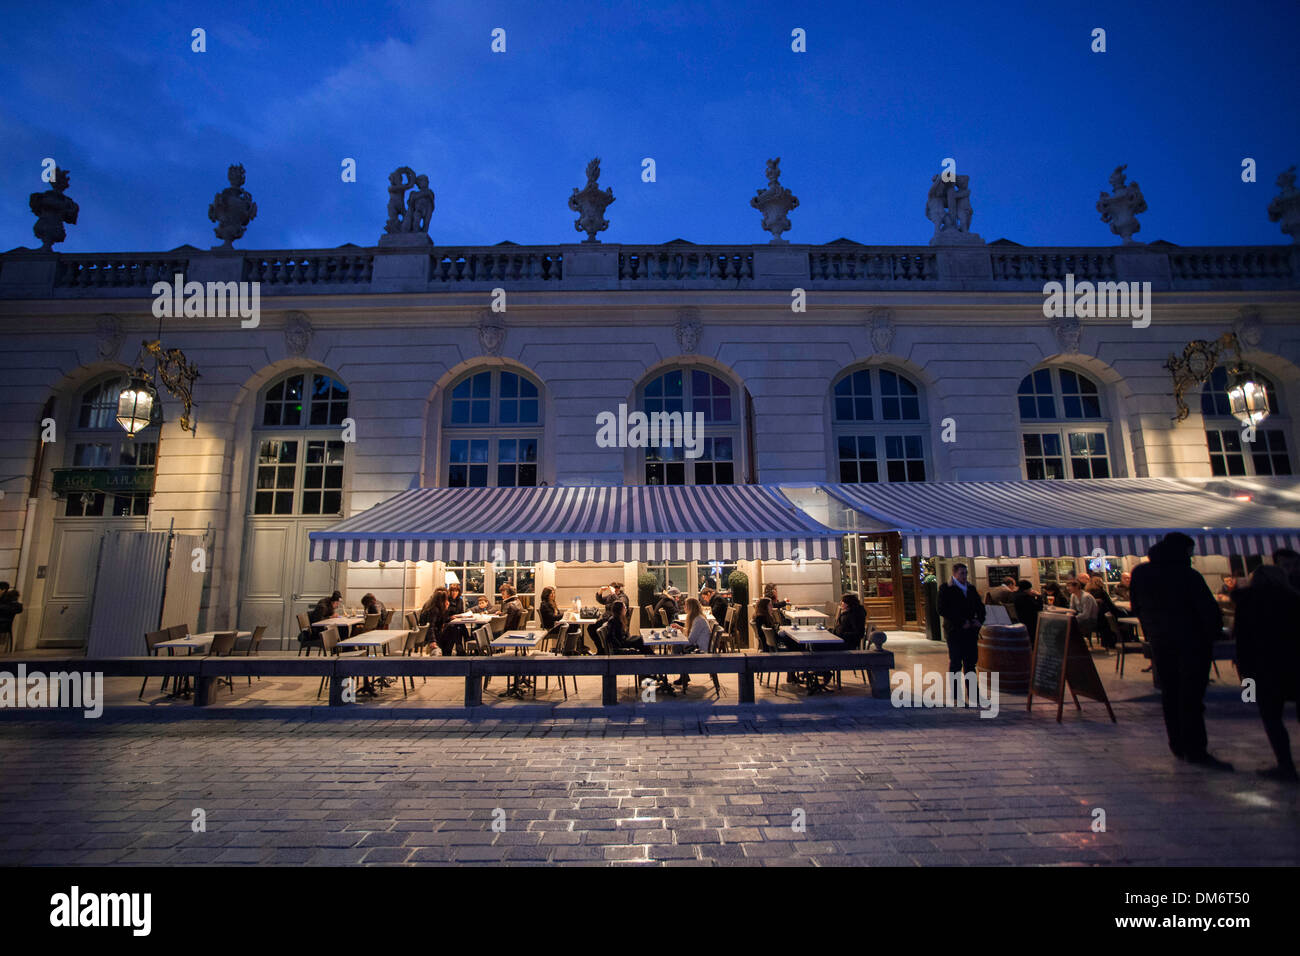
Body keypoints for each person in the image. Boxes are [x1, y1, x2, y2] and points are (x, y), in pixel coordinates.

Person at [1130, 532, 1231, 771]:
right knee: (1191, 696)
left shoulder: (1141, 573)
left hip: (1160, 641)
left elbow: (1136, 605)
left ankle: (1177, 744)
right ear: (1184, 551)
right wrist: (1215, 632)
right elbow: (1207, 610)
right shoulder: (1187, 575)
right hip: (1191, 642)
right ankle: (1196, 749)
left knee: (1170, 693)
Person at [1232, 565, 1300, 781]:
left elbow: (1242, 641)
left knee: (1271, 717)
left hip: (1263, 668)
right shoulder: (1294, 600)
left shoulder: (1248, 604)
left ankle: (1285, 764)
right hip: (1295, 665)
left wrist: (1245, 677)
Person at [938, 564, 984, 704]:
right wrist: (960, 622)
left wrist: (979, 620)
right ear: (955, 574)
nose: (965, 576)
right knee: (956, 663)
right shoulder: (946, 588)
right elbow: (942, 609)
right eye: (962, 573)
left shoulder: (970, 588)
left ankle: (974, 695)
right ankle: (957, 695)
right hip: (954, 631)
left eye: (966, 573)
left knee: (970, 663)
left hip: (970, 631)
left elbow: (980, 607)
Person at [671, 597, 713, 688]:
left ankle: (683, 676)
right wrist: (681, 628)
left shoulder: (698, 620)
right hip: (700, 647)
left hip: (700, 651)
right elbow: (694, 634)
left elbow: (690, 640)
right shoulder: (698, 618)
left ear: (690, 607)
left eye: (686, 606)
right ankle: (683, 676)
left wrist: (679, 638)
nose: (684, 607)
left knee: (676, 647)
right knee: (677, 646)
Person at [1085, 577, 1119, 649]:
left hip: (1094, 617)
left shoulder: (1088, 593)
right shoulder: (1101, 592)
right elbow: (1110, 605)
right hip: (1104, 618)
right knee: (1120, 617)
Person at [1067, 579, 1100, 643]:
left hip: (1091, 620)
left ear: (1076, 587)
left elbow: (1086, 615)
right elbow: (1072, 609)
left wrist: (1073, 618)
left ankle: (1078, 644)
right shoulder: (1073, 595)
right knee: (1067, 624)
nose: (1068, 588)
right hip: (1081, 618)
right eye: (1067, 586)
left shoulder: (1086, 597)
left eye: (1070, 586)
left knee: (1072, 625)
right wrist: (1068, 616)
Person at [1012, 580, 1041, 645]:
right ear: (1027, 589)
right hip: (1030, 622)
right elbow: (1038, 608)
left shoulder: (1015, 595)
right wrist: (1038, 596)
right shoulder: (1025, 597)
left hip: (1020, 619)